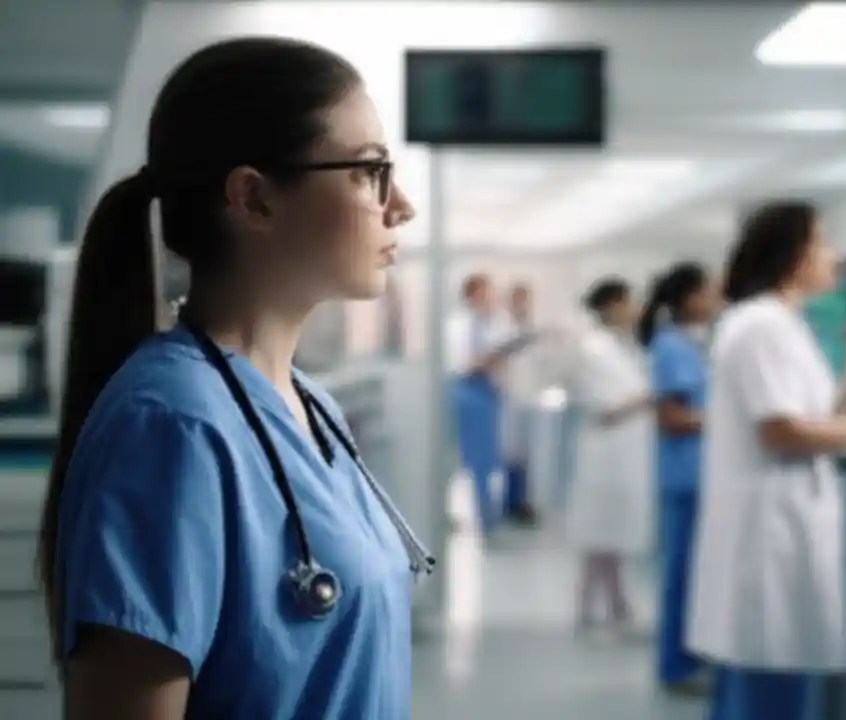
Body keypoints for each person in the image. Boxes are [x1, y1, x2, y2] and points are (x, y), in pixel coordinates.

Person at [36, 37, 429, 720]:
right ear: (253, 199)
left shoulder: (313, 407)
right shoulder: (171, 425)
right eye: (370, 172)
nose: (401, 205)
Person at [687, 201, 846, 720]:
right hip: (771, 534)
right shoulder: (761, 324)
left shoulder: (780, 324)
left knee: (760, 681)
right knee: (767, 682)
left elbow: (818, 411)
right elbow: (782, 429)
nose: (834, 257)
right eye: (824, 244)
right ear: (795, 255)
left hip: (778, 525)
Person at [637, 263, 718, 693]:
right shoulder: (671, 346)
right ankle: (675, 666)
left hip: (698, 473)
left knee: (690, 573)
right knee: (680, 575)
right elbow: (672, 417)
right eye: (707, 292)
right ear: (688, 298)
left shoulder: (689, 344)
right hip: (685, 475)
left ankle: (688, 661)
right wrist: (727, 420)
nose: (714, 300)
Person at [566, 279, 654, 639]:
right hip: (606, 453)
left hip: (624, 451)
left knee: (611, 535)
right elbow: (605, 408)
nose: (635, 310)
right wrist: (651, 398)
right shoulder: (594, 350)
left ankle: (617, 603)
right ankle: (589, 608)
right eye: (628, 302)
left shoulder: (623, 347)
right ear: (611, 306)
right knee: (600, 534)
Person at [446, 273, 512, 535]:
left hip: (488, 393)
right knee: (453, 458)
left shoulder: (495, 325)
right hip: (461, 389)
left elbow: (503, 359)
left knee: (486, 461)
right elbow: (454, 362)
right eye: (485, 292)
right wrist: (475, 363)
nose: (490, 298)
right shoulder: (455, 325)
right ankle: (446, 516)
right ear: (471, 294)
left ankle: (488, 519)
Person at [500, 283, 540, 525]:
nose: (522, 305)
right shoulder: (503, 330)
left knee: (527, 455)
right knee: (510, 454)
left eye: (526, 300)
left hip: (529, 398)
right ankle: (509, 504)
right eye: (518, 299)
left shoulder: (533, 331)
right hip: (509, 398)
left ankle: (522, 503)